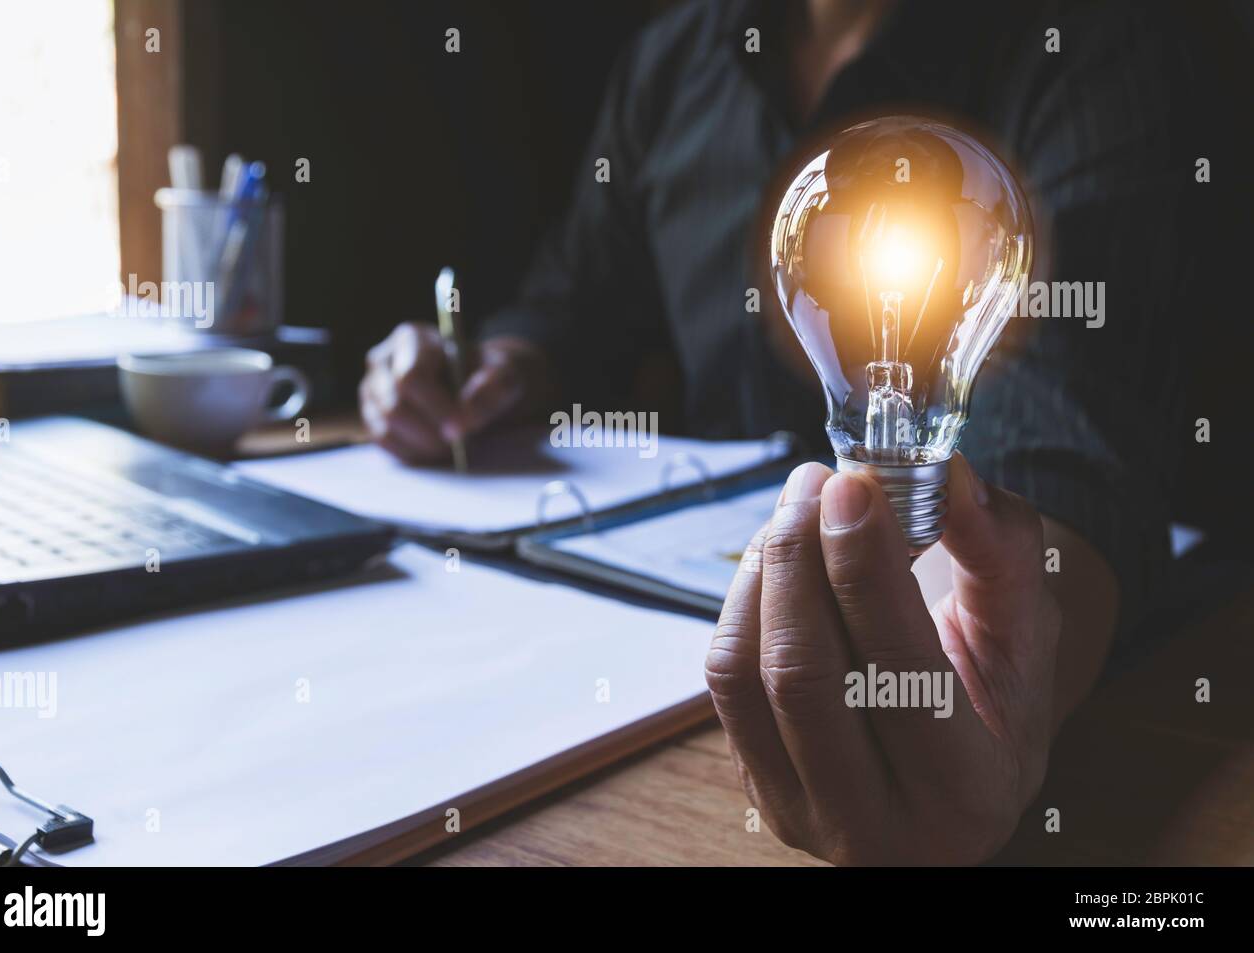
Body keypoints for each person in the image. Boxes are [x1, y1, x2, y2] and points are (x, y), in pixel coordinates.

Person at [359, 0, 1250, 863]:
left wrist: (1004, 700)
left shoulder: (1089, 45)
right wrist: (497, 365)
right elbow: (575, 295)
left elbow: (1073, 434)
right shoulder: (675, 61)